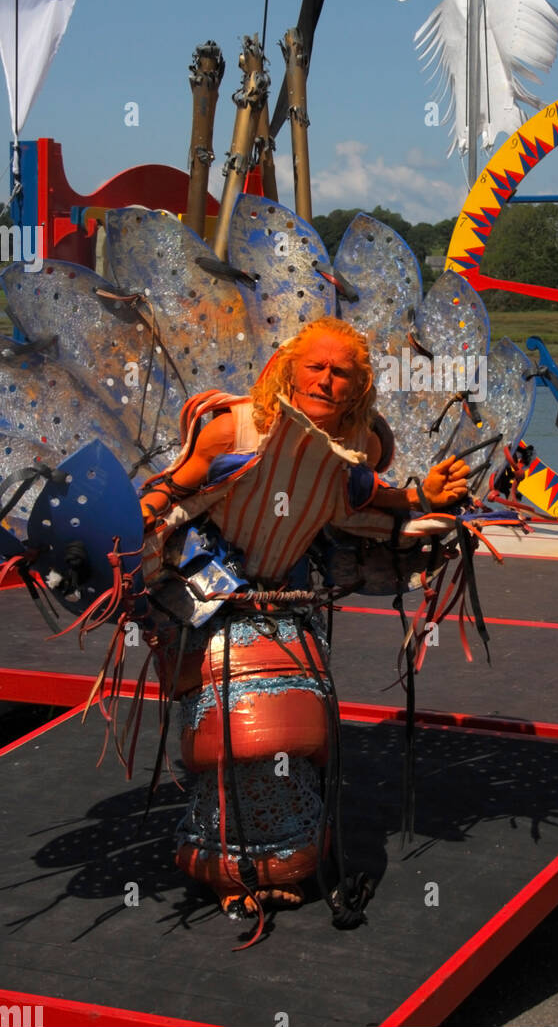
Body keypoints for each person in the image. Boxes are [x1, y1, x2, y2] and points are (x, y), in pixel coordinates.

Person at [137, 317, 470, 921]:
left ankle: (288, 861)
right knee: (227, 736)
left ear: (358, 386)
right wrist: (125, 527)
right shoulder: (232, 427)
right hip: (211, 596)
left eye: (341, 372)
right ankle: (224, 868)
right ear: (289, 368)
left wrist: (426, 500)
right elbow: (170, 490)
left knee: (296, 731)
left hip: (286, 600)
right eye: (315, 366)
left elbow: (363, 497)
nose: (326, 380)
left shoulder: (359, 444)